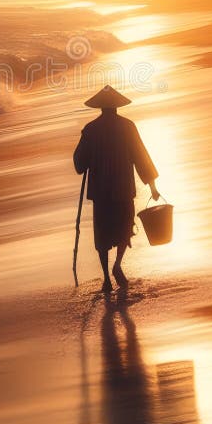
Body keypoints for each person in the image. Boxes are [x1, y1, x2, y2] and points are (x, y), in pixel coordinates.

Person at [73, 85, 160, 292]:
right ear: (116, 107)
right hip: (123, 189)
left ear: (100, 108)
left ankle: (106, 278)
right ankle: (117, 265)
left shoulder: (91, 130)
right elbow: (142, 158)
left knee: (102, 235)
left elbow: (79, 164)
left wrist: (87, 157)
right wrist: (153, 186)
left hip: (101, 192)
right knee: (124, 229)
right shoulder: (127, 126)